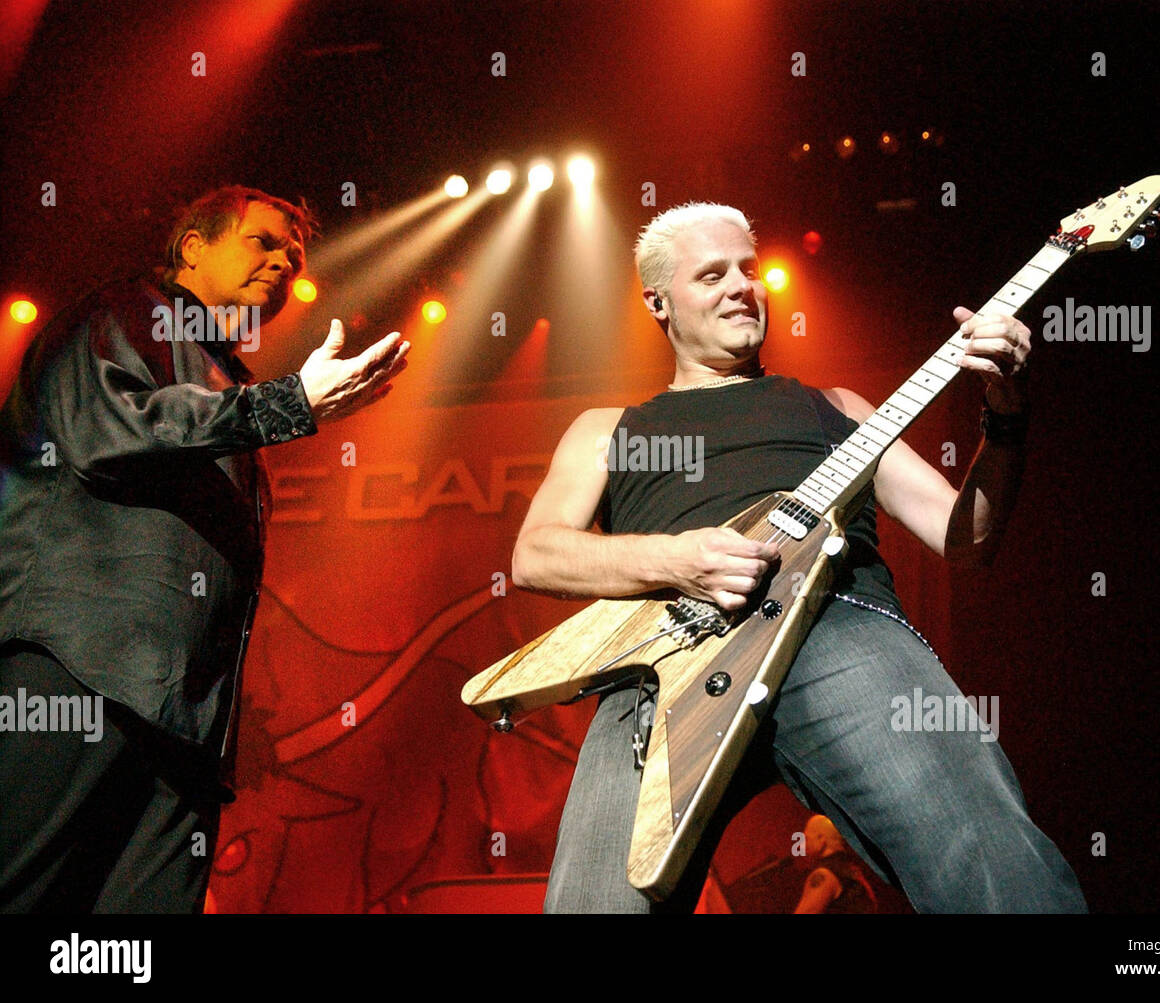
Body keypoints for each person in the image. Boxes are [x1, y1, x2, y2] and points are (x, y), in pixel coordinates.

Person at [511, 202, 1087, 913]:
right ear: (657, 302)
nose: (741, 287)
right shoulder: (609, 430)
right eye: (712, 274)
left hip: (839, 629)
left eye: (749, 270)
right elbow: (536, 554)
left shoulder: (839, 407)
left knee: (990, 856)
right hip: (660, 674)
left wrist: (1005, 413)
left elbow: (964, 536)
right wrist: (679, 558)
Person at [0, 185, 409, 913]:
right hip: (78, 671)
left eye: (295, 254)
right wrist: (286, 404)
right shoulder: (123, 313)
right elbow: (105, 433)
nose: (285, 261)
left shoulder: (229, 380)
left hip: (181, 726)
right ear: (194, 246)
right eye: (265, 241)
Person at [793, 814, 878, 914]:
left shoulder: (825, 874)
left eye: (807, 838)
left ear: (821, 839)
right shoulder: (853, 872)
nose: (803, 845)